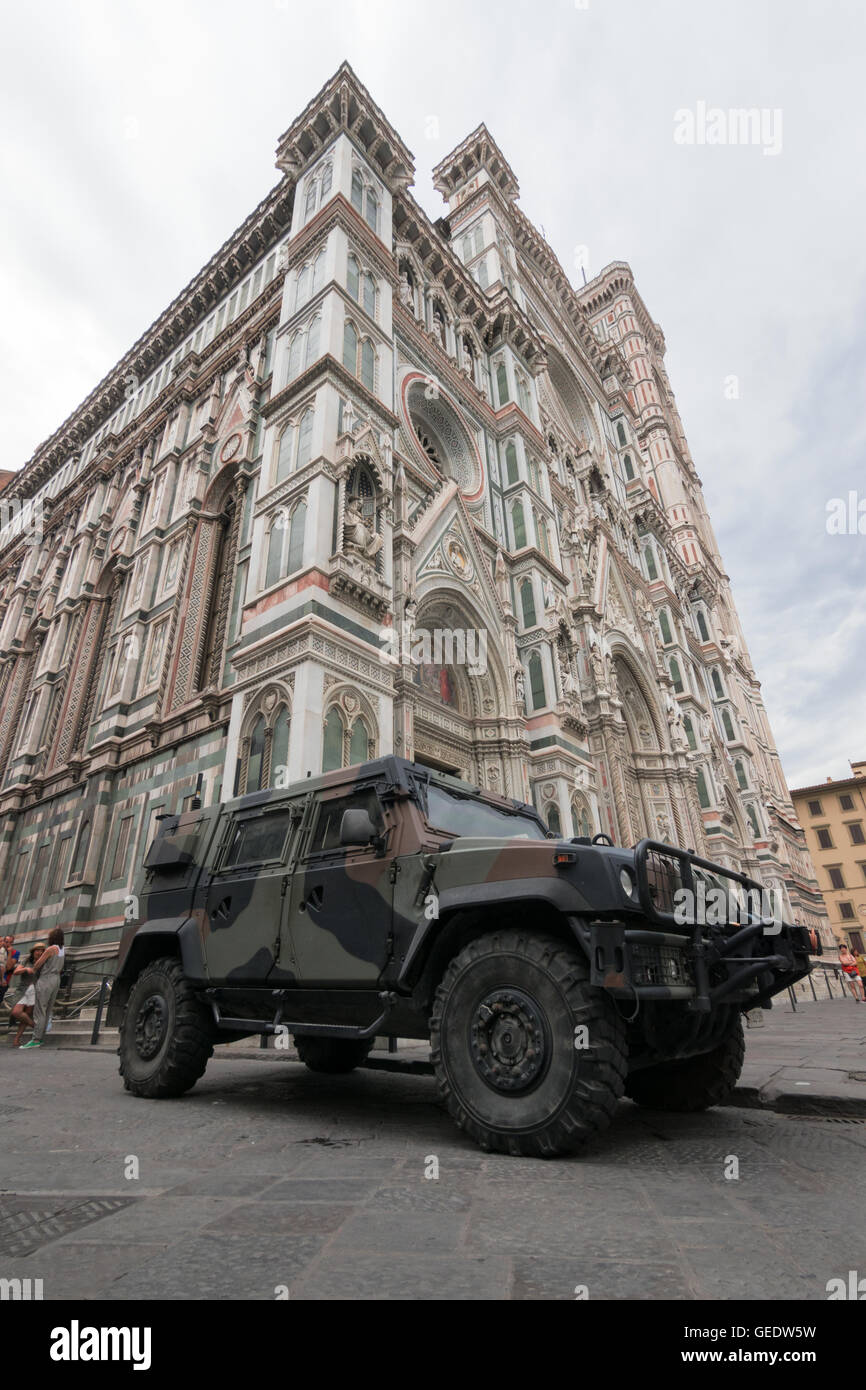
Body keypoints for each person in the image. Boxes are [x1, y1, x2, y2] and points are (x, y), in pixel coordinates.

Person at [21, 927, 64, 1048]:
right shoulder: (62, 949)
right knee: (48, 1008)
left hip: (46, 979)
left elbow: (39, 963)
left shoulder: (51, 949)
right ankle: (41, 1036)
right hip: (56, 979)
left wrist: (32, 970)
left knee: (40, 1009)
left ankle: (36, 1039)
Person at [8, 945, 44, 1046]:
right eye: (37, 950)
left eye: (41, 951)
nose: (39, 953)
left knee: (26, 1015)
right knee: (16, 1012)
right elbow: (16, 972)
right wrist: (25, 969)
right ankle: (35, 1026)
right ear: (33, 951)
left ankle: (17, 1039)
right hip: (23, 989)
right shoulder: (26, 960)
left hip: (35, 991)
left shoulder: (43, 962)